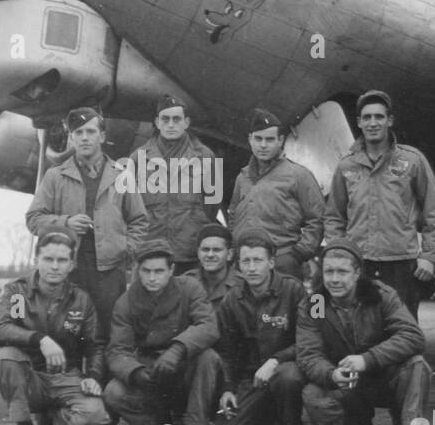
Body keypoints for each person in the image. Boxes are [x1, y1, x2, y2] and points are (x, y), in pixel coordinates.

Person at [297, 237, 432, 425]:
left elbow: (413, 336)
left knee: (417, 365)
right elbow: (309, 354)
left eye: (342, 272)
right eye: (329, 272)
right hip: (344, 381)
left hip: (382, 377)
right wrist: (331, 374)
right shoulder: (317, 304)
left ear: (357, 272)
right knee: (315, 403)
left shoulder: (380, 295)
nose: (334, 279)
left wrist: (368, 359)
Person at [26, 107, 148, 340]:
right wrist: (66, 222)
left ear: (102, 136)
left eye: (90, 131)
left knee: (108, 333)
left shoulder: (122, 175)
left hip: (109, 273)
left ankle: (101, 377)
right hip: (69, 269)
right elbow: (33, 219)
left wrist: (125, 250)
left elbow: (139, 220)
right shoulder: (55, 176)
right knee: (67, 331)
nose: (84, 137)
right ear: (71, 137)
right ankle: (68, 376)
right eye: (78, 132)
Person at [0, 231, 111, 425]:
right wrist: (40, 339)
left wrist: (94, 375)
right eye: (48, 259)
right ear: (36, 260)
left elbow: (95, 345)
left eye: (62, 260)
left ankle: (51, 421)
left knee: (94, 421)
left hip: (66, 377)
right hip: (30, 377)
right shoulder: (19, 294)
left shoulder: (80, 299)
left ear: (72, 264)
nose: (54, 266)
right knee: (7, 356)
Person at [325, 90, 435, 321]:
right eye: (367, 118)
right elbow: (333, 217)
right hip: (359, 263)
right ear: (358, 122)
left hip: (401, 264)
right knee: (359, 331)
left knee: (403, 331)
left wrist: (429, 257)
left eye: (379, 117)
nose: (372, 123)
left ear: (390, 121)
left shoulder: (413, 160)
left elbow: (433, 212)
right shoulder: (346, 166)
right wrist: (339, 253)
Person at [103, 240, 221, 425]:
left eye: (159, 271)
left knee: (208, 357)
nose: (152, 277)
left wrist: (177, 350)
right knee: (113, 392)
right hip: (149, 367)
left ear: (171, 270)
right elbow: (117, 349)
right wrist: (135, 372)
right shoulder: (126, 302)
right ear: (138, 271)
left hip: (185, 364)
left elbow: (208, 325)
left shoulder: (190, 287)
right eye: (146, 271)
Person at [208, 230, 308, 425]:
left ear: (271, 262)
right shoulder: (232, 299)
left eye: (258, 261)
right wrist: (228, 388)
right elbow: (227, 352)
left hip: (287, 371)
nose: (251, 268)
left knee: (288, 376)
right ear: (238, 264)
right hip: (252, 380)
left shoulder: (293, 290)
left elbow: (308, 341)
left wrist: (277, 360)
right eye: (246, 261)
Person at [227, 108, 325, 279]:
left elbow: (318, 219)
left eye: (269, 139)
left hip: (281, 263)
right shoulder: (242, 177)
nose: (263, 145)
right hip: (243, 265)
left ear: (280, 140)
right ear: (250, 139)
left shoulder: (298, 175)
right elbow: (233, 215)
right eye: (258, 139)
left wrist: (298, 254)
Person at [128, 94, 219, 275]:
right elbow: (130, 207)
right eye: (165, 119)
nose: (171, 124)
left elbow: (212, 205)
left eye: (176, 119)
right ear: (157, 122)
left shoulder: (205, 157)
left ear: (186, 122)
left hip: (189, 252)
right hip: (151, 251)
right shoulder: (138, 158)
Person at [180, 223, 244, 310]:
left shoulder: (242, 285)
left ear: (229, 254)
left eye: (217, 250)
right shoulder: (185, 283)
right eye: (205, 250)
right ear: (198, 253)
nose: (210, 255)